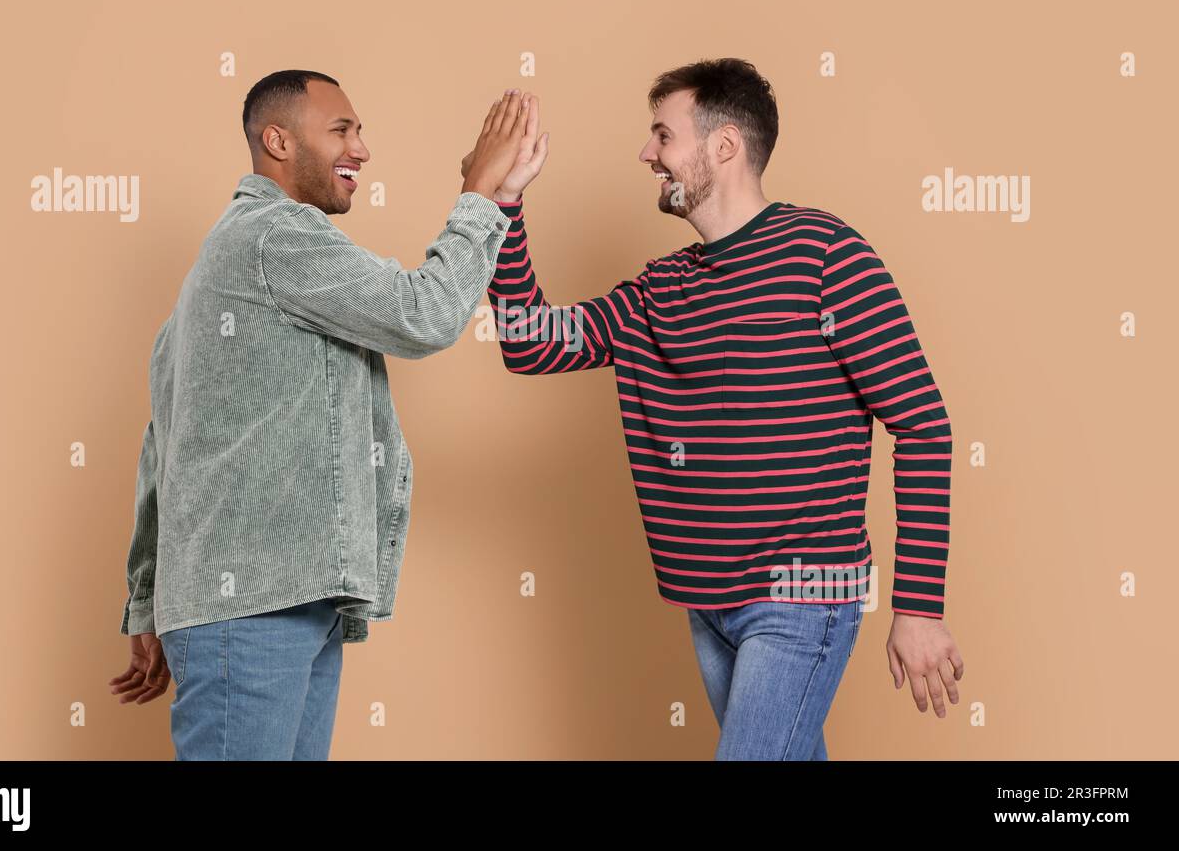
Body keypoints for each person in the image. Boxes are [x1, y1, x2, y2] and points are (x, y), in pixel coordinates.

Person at [483, 60, 964, 760]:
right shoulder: (660, 289)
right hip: (705, 601)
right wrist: (502, 203)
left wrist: (918, 606)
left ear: (724, 146)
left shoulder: (828, 256)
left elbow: (922, 424)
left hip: (800, 595)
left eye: (662, 135)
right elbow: (529, 342)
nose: (646, 153)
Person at [108, 71, 533, 759]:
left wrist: (150, 601)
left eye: (359, 131)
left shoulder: (211, 272)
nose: (362, 148)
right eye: (342, 129)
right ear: (277, 140)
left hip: (285, 602)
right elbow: (422, 312)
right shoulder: (276, 237)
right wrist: (482, 196)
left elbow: (164, 445)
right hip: (250, 610)